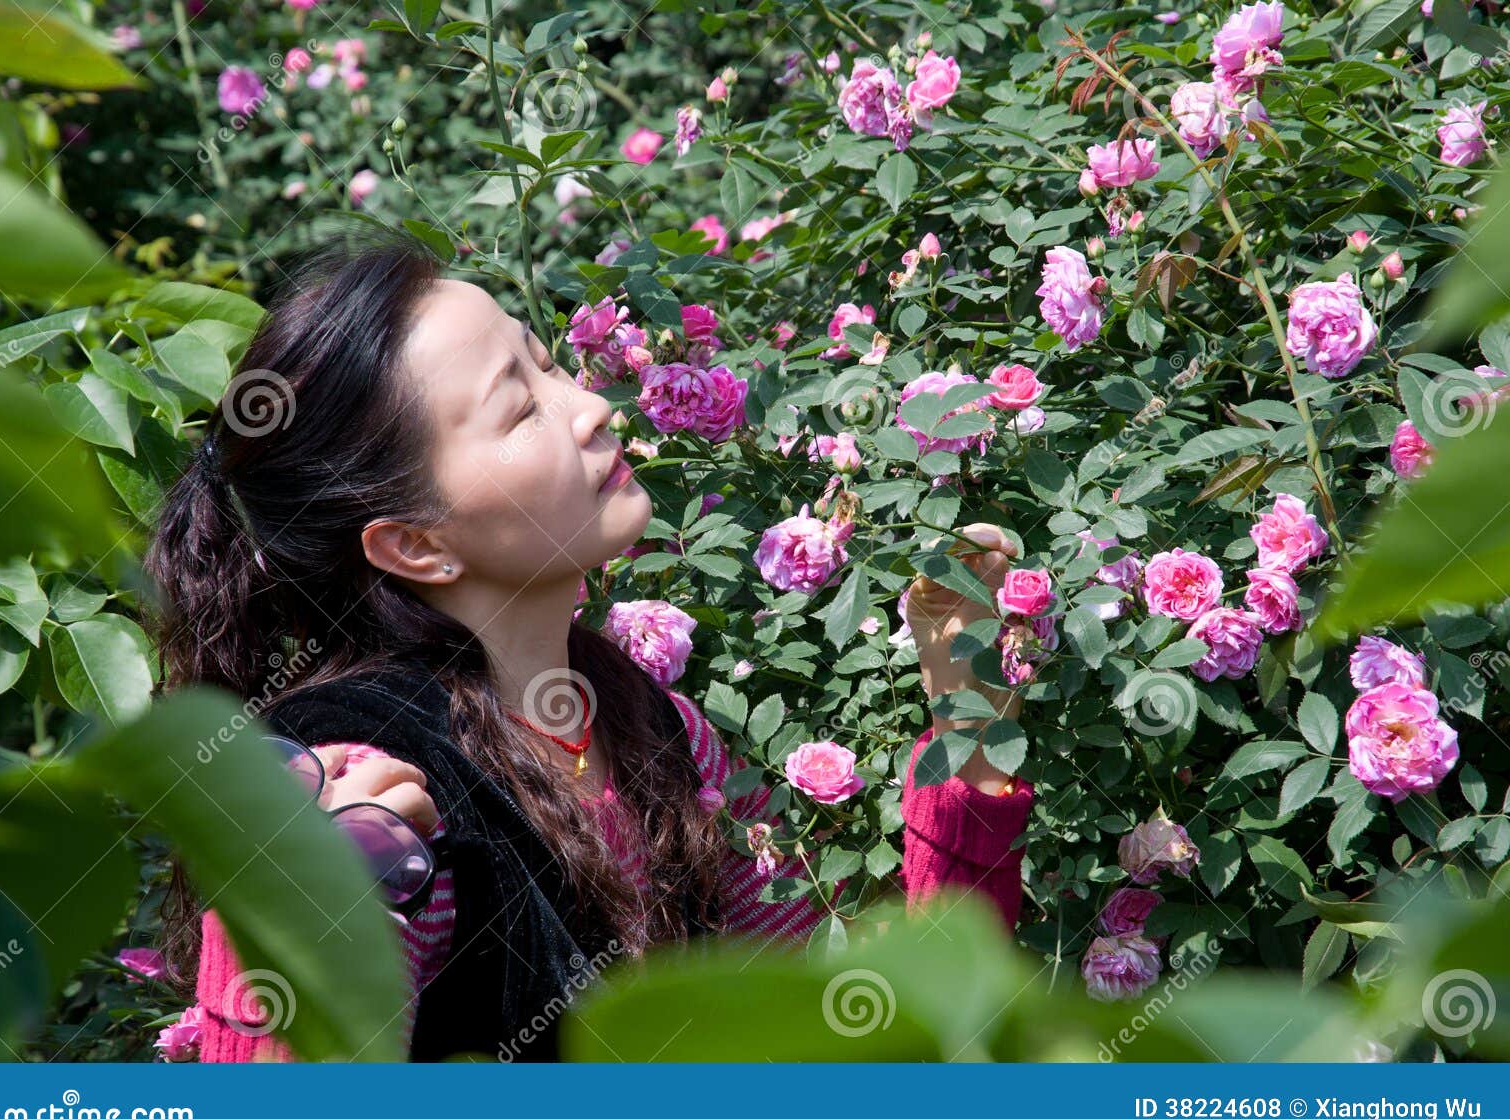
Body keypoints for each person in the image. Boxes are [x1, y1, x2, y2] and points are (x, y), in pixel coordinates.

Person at [147, 233, 1033, 1062]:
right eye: (518, 407)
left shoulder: (662, 730)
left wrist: (971, 726)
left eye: (547, 364)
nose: (589, 405)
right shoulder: (376, 793)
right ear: (417, 544)